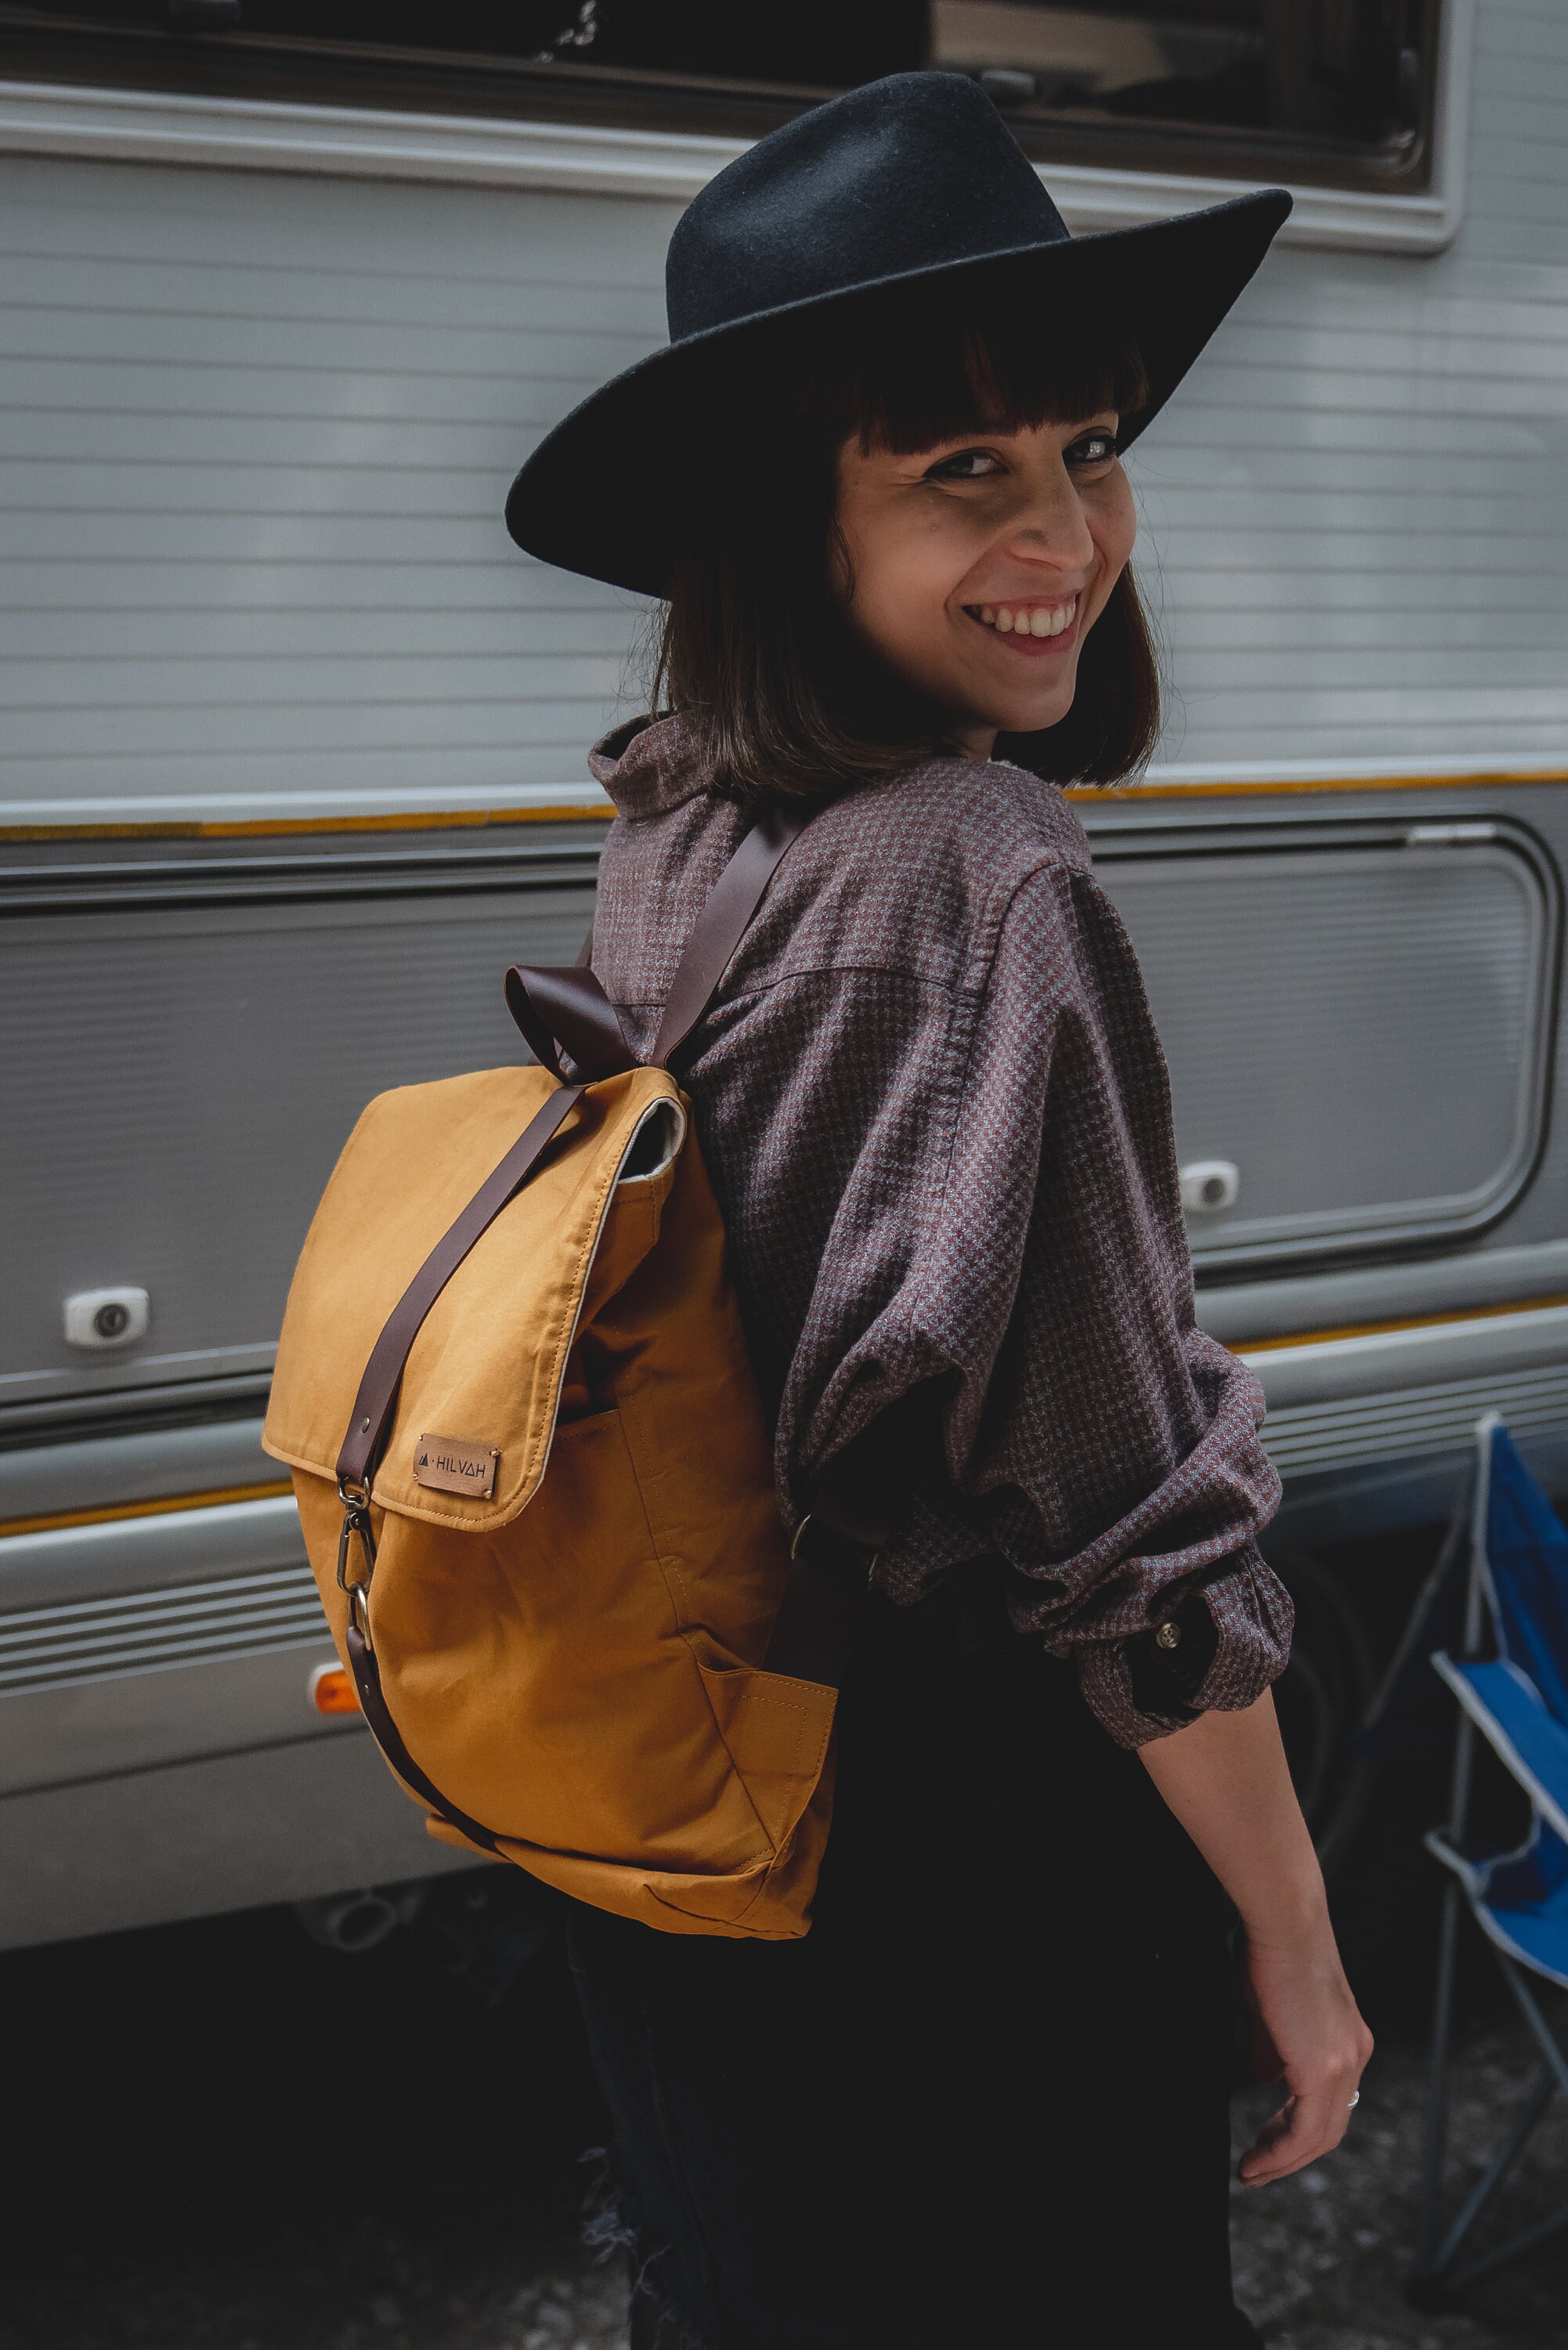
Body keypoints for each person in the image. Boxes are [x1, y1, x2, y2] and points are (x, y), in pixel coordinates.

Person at [505, 70, 1372, 2350]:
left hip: (713, 1793)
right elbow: (1124, 1547)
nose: (1063, 534)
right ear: (793, 527)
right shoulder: (983, 874)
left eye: (1085, 448)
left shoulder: (679, 820)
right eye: (957, 469)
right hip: (959, 1859)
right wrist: (1296, 1947)